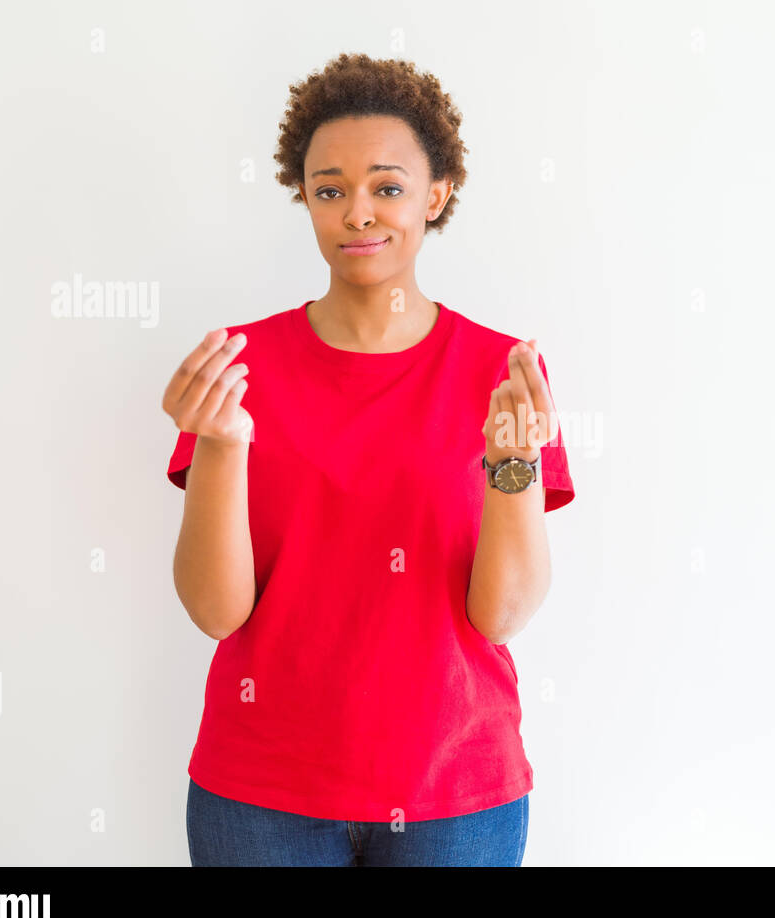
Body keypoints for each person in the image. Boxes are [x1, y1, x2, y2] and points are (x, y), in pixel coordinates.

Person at [159, 53, 575, 866]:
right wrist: (218, 444)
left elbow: (503, 614)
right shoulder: (239, 371)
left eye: (387, 187)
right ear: (304, 198)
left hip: (455, 793)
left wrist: (513, 464)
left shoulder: (503, 372)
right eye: (329, 189)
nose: (358, 212)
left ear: (436, 195)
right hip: (261, 795)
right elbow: (216, 612)